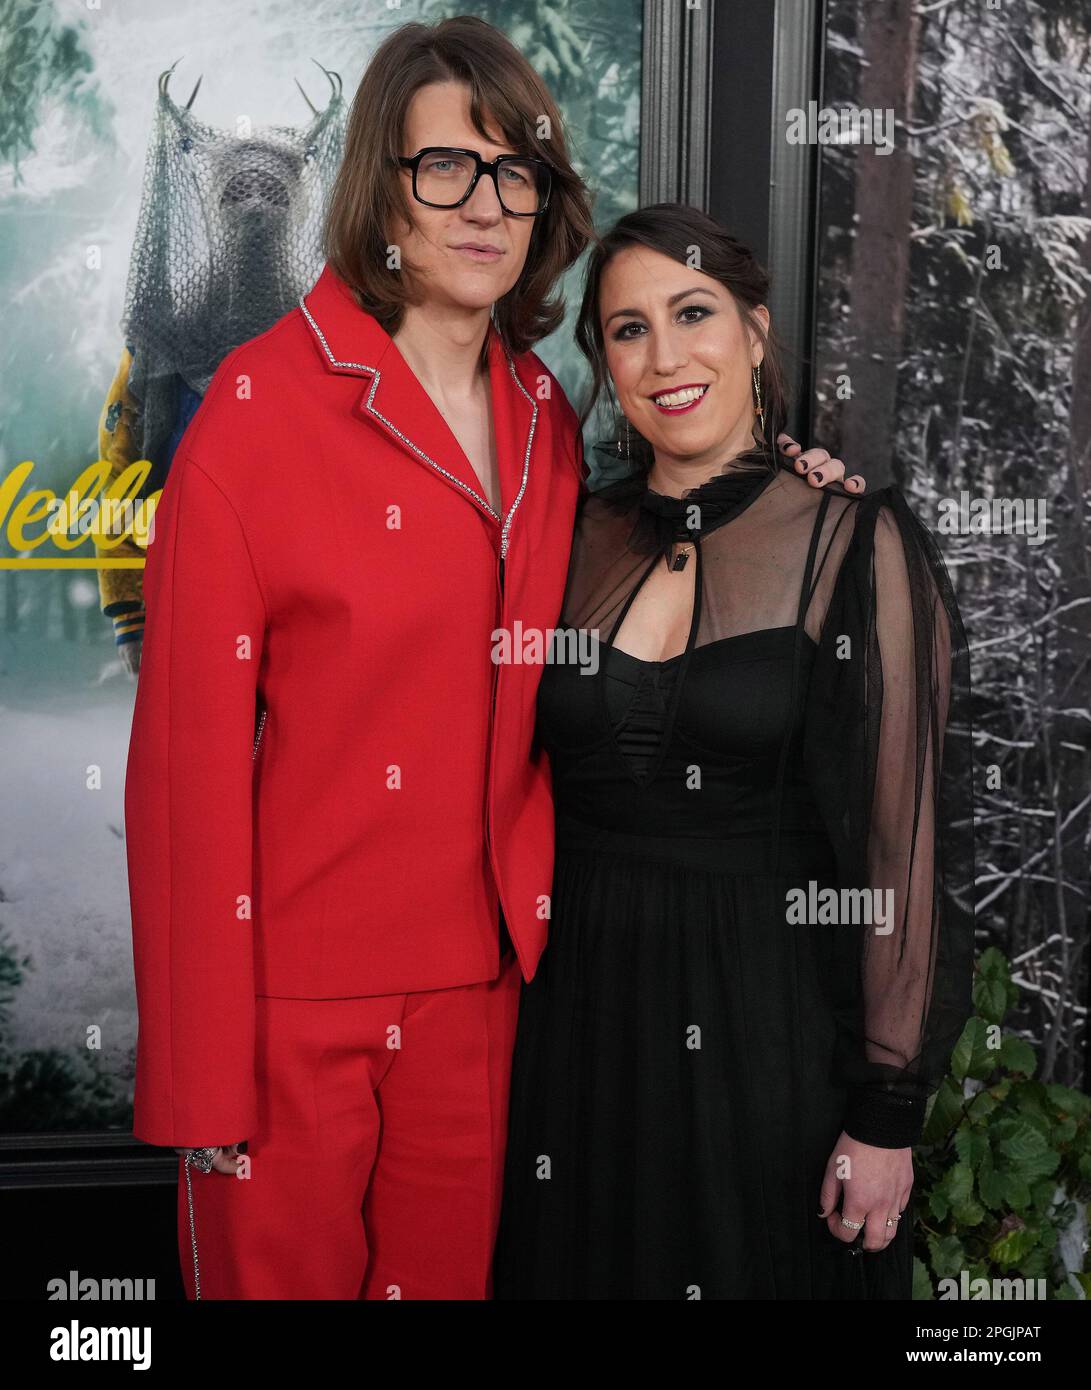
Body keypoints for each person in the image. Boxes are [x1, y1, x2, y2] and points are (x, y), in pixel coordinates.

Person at [124, 18, 858, 1301]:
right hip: (288, 1009)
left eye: (513, 171)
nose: (484, 203)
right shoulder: (254, 411)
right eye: (444, 169)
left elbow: (671, 529)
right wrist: (197, 1072)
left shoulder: (544, 423)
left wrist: (788, 485)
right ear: (381, 194)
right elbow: (180, 767)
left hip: (483, 1003)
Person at [493, 204, 975, 1300]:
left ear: (754, 329)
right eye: (626, 329)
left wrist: (883, 1110)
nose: (664, 357)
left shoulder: (854, 541)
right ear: (603, 363)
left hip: (767, 1038)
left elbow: (900, 846)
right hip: (573, 1037)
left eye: (692, 312)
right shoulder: (560, 534)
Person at [97, 63, 345, 671]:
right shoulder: (165, 342)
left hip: (303, 619)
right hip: (188, 602)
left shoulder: (332, 342)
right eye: (238, 192)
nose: (256, 207)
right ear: (212, 211)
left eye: (273, 193)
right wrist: (131, 612)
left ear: (296, 211)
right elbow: (120, 471)